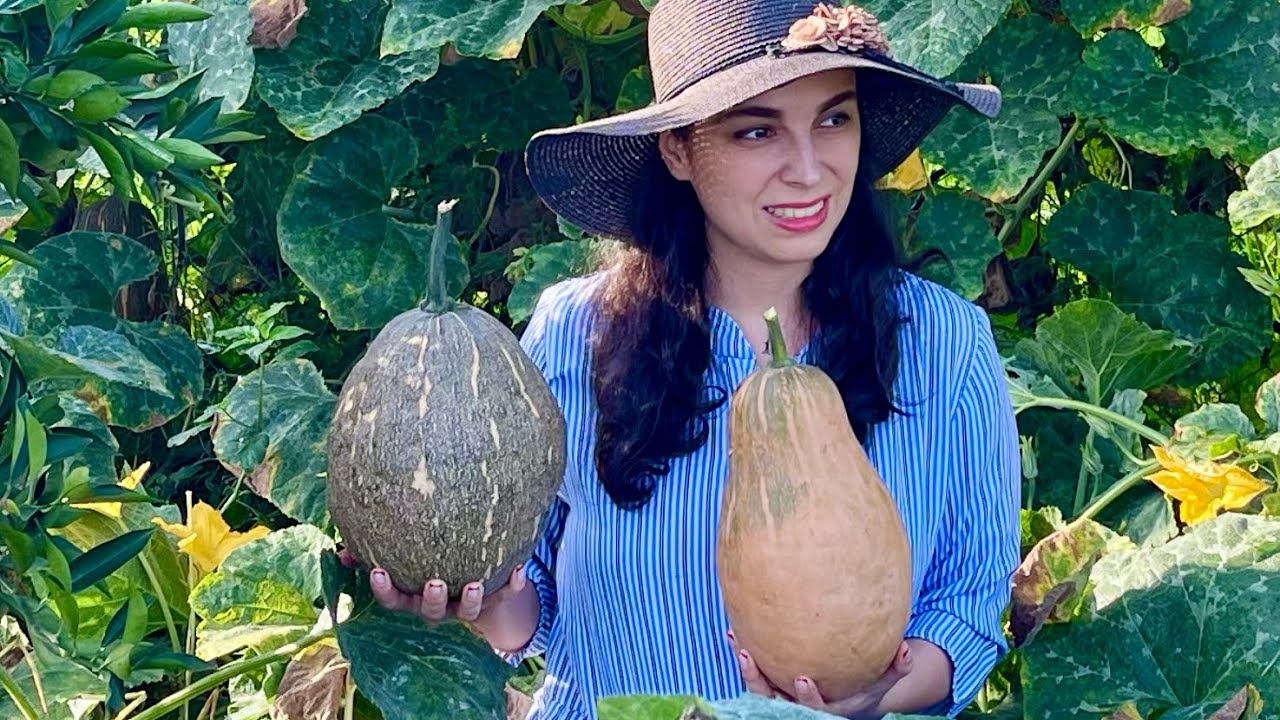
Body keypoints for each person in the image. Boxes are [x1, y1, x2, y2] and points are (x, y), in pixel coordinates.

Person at [358, 1, 1021, 718]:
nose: (808, 170)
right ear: (677, 148)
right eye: (758, 130)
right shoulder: (573, 333)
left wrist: (874, 697)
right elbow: (533, 606)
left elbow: (971, 600)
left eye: (834, 118)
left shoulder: (942, 340)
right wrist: (475, 594)